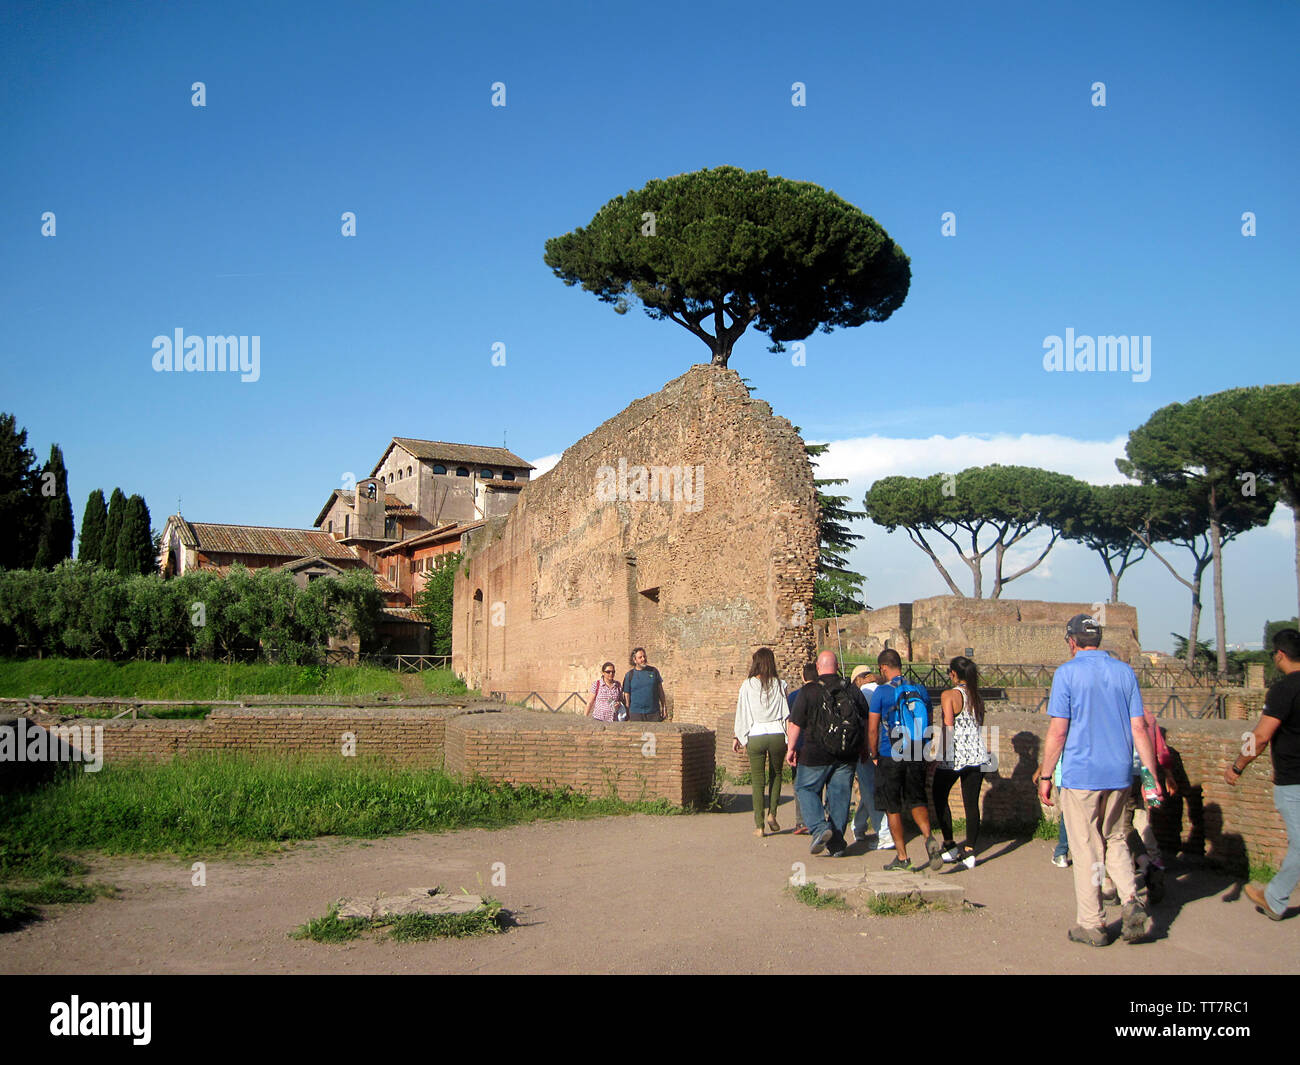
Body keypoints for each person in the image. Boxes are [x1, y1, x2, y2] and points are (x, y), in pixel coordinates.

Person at [1038, 614, 1162, 947]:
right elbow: (1140, 728)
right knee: (1116, 839)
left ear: (1071, 641)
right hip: (1120, 773)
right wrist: (1150, 775)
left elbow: (1059, 730)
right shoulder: (1124, 672)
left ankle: (1092, 924)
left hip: (1082, 774)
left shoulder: (1067, 674)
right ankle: (1130, 899)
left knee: (1087, 847)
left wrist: (1046, 774)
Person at [1225, 627, 1300, 921]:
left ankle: (1274, 896)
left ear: (1280, 655)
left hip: (1294, 780)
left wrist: (1237, 766)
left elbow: (1259, 736)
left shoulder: (1284, 690)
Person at [786, 651, 867, 858]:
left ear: (818, 667)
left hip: (815, 753)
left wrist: (791, 748)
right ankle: (837, 845)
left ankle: (819, 828)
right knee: (840, 798)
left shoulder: (809, 691)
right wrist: (864, 748)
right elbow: (864, 721)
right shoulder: (851, 690)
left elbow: (795, 723)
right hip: (847, 753)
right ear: (837, 666)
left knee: (805, 788)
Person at [869, 648, 943, 872]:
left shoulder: (881, 693)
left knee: (893, 808)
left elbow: (873, 729)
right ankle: (928, 836)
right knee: (917, 800)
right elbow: (929, 723)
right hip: (915, 752)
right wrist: (927, 751)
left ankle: (902, 857)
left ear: (883, 667)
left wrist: (873, 754)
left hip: (889, 754)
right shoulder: (919, 689)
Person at [932, 655, 990, 869]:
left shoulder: (949, 695)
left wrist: (939, 755)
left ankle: (949, 843)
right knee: (971, 804)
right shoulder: (976, 696)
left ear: (954, 674)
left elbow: (948, 727)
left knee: (938, 796)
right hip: (976, 755)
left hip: (955, 755)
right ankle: (970, 850)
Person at [733, 648, 789, 838]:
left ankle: (759, 826)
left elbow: (742, 712)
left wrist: (738, 736)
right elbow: (785, 714)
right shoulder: (781, 685)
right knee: (777, 774)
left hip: (756, 734)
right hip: (776, 735)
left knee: (758, 781)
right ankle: (772, 814)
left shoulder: (747, 685)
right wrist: (790, 739)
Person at [849, 667, 889, 849]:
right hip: (887, 746)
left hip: (866, 746)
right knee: (869, 788)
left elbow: (862, 723)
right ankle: (858, 826)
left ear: (858, 679)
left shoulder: (862, 693)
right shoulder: (884, 689)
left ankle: (884, 833)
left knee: (869, 789)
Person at [788, 663, 818, 834]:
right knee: (817, 784)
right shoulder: (824, 693)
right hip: (818, 744)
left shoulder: (793, 696)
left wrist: (789, 746)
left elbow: (791, 723)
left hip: (799, 744)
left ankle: (801, 821)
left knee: (799, 784)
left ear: (803, 676)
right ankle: (817, 818)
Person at [623, 647, 666, 722]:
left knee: (652, 734)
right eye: (640, 657)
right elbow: (627, 694)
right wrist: (627, 711)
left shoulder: (653, 671)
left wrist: (664, 707)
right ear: (634, 660)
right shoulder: (629, 675)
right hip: (636, 713)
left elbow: (660, 691)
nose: (643, 659)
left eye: (644, 656)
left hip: (653, 713)